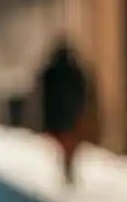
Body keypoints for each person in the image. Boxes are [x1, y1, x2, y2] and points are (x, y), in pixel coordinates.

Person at [39, 42, 91, 187]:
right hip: (70, 116)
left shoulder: (51, 72)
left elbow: (44, 97)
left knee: (65, 147)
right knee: (69, 148)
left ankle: (67, 170)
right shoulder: (75, 72)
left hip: (58, 117)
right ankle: (68, 170)